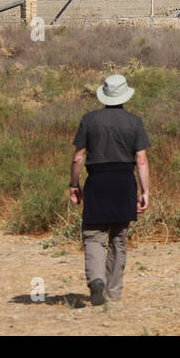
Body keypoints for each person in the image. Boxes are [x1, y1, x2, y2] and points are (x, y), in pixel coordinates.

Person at [69, 74, 150, 306]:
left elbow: (78, 157)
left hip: (97, 181)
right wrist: (145, 191)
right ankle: (113, 293)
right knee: (118, 239)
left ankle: (96, 280)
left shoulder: (89, 119)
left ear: (103, 95)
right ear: (125, 95)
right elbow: (141, 159)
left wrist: (74, 185)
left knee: (93, 236)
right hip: (124, 181)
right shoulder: (134, 121)